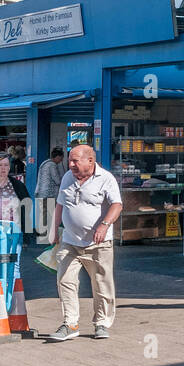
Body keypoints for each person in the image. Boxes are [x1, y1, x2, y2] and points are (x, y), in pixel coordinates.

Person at [46, 144, 123, 340]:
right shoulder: (67, 177)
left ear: (90, 160)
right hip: (70, 241)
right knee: (65, 281)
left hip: (98, 243)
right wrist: (54, 229)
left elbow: (117, 204)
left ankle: (101, 324)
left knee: (101, 284)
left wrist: (104, 225)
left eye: (75, 161)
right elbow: (60, 204)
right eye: (70, 160)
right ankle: (70, 323)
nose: (70, 164)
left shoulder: (106, 179)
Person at [35, 147, 66, 242]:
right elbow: (57, 180)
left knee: (43, 215)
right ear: (57, 157)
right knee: (49, 215)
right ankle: (46, 236)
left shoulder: (44, 163)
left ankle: (42, 235)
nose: (61, 160)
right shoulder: (52, 165)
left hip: (41, 192)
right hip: (48, 193)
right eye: (61, 158)